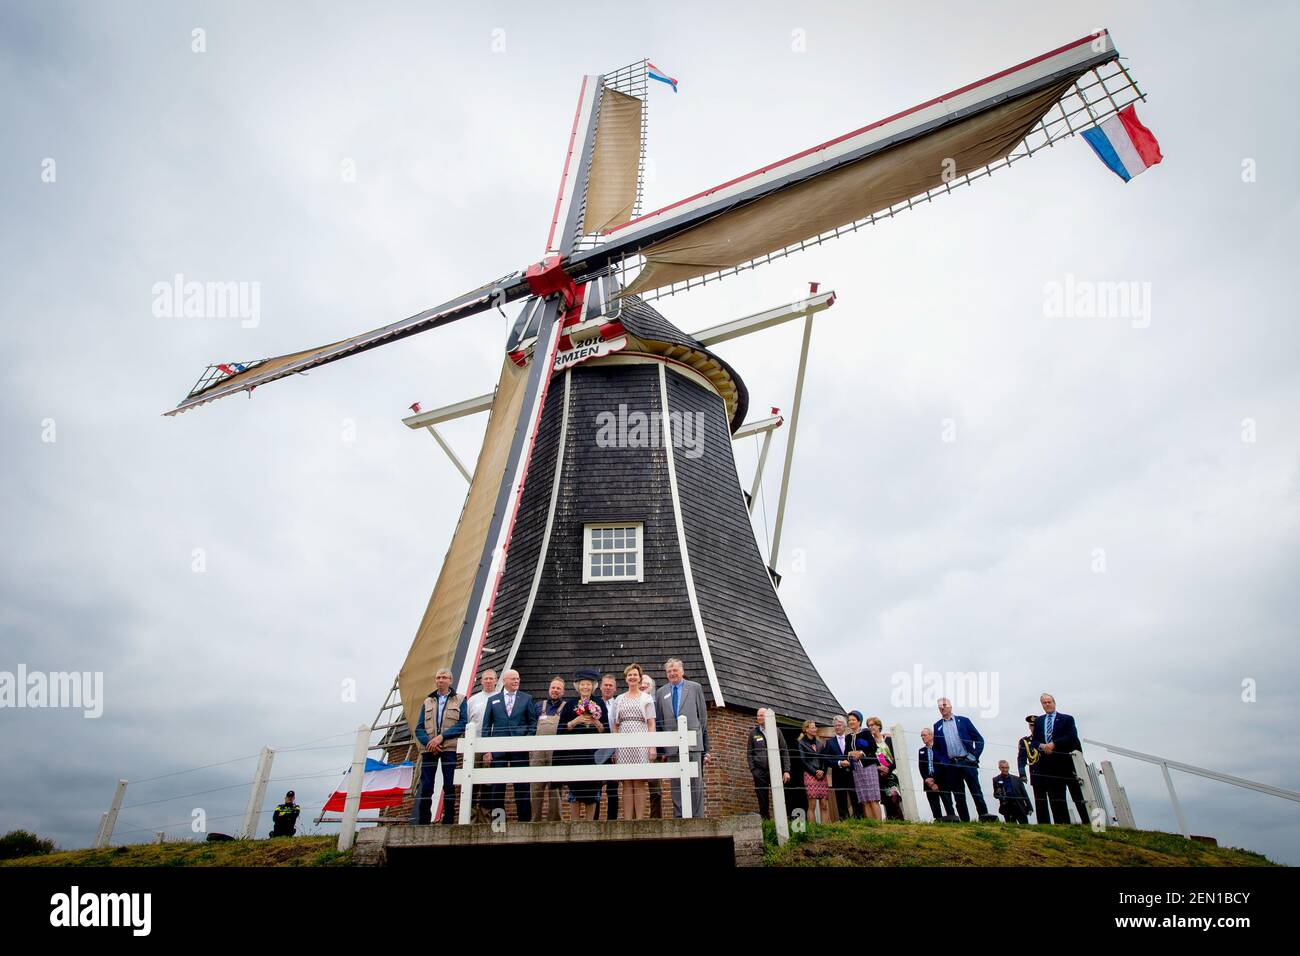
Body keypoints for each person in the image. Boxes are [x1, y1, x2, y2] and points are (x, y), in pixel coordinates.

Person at [654, 658, 710, 818]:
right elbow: (660, 720)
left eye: (675, 670)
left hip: (693, 743)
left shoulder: (695, 688)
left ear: (682, 671)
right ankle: (679, 817)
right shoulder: (661, 692)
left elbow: (703, 718)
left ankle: (697, 817)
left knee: (695, 782)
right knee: (676, 783)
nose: (672, 673)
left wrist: (698, 736)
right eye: (669, 671)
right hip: (672, 745)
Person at [413, 668, 468, 825]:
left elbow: (463, 723)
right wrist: (429, 742)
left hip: (449, 747)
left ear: (450, 680)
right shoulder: (427, 701)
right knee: (427, 784)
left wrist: (441, 738)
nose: (441, 680)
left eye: (444, 677)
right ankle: (423, 820)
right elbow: (419, 727)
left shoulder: (461, 699)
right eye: (438, 677)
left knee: (449, 783)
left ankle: (448, 819)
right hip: (429, 749)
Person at [482, 668, 536, 823]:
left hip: (519, 749)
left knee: (522, 786)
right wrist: (487, 750)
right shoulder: (493, 700)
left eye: (518, 678)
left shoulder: (526, 698)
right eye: (513, 679)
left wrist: (526, 740)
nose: (516, 681)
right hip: (498, 749)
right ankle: (498, 822)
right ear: (504, 681)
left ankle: (524, 822)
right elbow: (486, 726)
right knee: (497, 787)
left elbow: (532, 723)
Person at [557, 668, 608, 821]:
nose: (585, 687)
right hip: (575, 755)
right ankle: (575, 825)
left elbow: (606, 730)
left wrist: (596, 722)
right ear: (577, 686)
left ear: (593, 686)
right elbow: (560, 730)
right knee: (575, 791)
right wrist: (575, 721)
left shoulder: (599, 703)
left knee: (592, 791)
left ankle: (590, 824)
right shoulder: (570, 705)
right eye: (582, 684)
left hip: (593, 755)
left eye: (588, 684)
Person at [931, 698, 991, 822]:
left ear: (950, 706)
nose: (942, 708)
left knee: (976, 791)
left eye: (944, 705)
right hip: (951, 765)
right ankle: (965, 821)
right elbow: (935, 749)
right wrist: (944, 761)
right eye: (939, 706)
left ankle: (984, 816)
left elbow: (979, 739)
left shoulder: (963, 721)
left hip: (967, 762)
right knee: (958, 796)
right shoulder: (937, 726)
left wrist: (973, 756)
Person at [1030, 693, 1086, 825]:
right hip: (1049, 765)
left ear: (1054, 703)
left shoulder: (1067, 719)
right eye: (1044, 703)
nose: (1047, 704)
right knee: (1056, 798)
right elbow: (1034, 741)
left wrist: (1054, 744)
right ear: (1042, 705)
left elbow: (1071, 736)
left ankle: (1087, 822)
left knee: (1078, 796)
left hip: (1066, 763)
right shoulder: (1039, 721)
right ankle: (1063, 824)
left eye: (1049, 702)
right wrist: (1042, 746)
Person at [610, 663, 656, 820]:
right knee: (627, 781)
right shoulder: (619, 699)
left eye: (635, 674)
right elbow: (615, 725)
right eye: (629, 675)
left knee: (639, 781)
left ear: (640, 678)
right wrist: (616, 747)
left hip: (641, 739)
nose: (632, 677)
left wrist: (652, 747)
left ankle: (640, 819)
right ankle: (628, 819)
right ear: (626, 678)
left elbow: (651, 723)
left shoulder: (646, 698)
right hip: (624, 741)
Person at [530, 676, 567, 822]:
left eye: (558, 688)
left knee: (555, 787)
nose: (555, 690)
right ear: (549, 689)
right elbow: (532, 726)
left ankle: (555, 820)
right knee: (536, 787)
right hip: (538, 751)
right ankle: (535, 819)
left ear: (563, 691)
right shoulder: (539, 706)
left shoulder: (566, 707)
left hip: (556, 751)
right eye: (553, 687)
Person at [747, 708, 792, 820]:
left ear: (768, 716)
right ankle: (766, 822)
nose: (759, 718)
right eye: (758, 716)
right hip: (759, 771)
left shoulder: (776, 731)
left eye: (762, 715)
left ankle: (782, 821)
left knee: (779, 797)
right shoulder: (753, 733)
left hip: (776, 770)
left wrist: (786, 770)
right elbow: (749, 753)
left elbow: (784, 750)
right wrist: (753, 770)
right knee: (762, 798)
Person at [466, 669, 499, 822]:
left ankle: (486, 818)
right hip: (474, 745)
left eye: (491, 679)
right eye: (485, 678)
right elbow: (466, 723)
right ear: (481, 681)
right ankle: (471, 817)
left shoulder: (501, 698)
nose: (488, 681)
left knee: (488, 783)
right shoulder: (472, 700)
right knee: (471, 780)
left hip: (492, 745)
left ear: (496, 680)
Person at [821, 715, 860, 821]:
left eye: (840, 725)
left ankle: (859, 819)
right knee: (840, 799)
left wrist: (850, 763)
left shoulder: (851, 739)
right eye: (836, 725)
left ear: (844, 726)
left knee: (855, 797)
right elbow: (826, 759)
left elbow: (858, 754)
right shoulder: (830, 742)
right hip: (838, 775)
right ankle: (844, 821)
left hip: (853, 773)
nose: (837, 727)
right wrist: (838, 763)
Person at [866, 716, 903, 820]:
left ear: (878, 726)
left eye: (872, 725)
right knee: (885, 800)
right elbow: (870, 759)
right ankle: (891, 821)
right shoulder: (870, 743)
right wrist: (878, 768)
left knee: (894, 798)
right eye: (869, 726)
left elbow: (896, 756)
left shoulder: (888, 739)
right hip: (879, 774)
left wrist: (888, 769)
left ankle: (900, 820)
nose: (871, 727)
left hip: (892, 772)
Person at [596, 673, 621, 821]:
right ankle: (595, 820)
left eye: (610, 685)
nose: (607, 688)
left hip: (613, 749)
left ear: (615, 689)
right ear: (600, 687)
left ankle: (612, 820)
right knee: (597, 786)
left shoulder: (618, 703)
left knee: (613, 788)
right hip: (599, 749)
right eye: (605, 685)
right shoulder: (594, 704)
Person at [846, 711, 880, 820]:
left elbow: (873, 747)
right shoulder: (848, 737)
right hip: (856, 769)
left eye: (853, 720)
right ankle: (871, 824)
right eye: (849, 720)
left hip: (868, 767)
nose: (851, 722)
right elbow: (846, 752)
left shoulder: (865, 733)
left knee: (872, 797)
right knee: (864, 798)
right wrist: (851, 753)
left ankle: (879, 824)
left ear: (859, 721)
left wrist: (861, 753)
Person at [917, 727, 955, 821]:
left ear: (931, 736)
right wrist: (927, 779)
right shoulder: (921, 751)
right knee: (934, 803)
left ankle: (952, 819)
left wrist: (935, 780)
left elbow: (943, 765)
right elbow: (921, 767)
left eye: (924, 735)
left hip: (941, 780)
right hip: (928, 782)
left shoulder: (940, 748)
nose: (922, 737)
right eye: (921, 735)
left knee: (947, 802)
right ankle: (938, 820)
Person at [797, 720, 829, 823]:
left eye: (815, 727)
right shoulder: (801, 743)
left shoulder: (820, 744)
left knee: (824, 804)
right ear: (806, 729)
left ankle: (825, 829)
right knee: (812, 805)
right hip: (810, 775)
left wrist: (823, 771)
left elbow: (824, 759)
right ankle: (814, 830)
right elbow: (803, 761)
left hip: (822, 776)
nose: (815, 729)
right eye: (812, 727)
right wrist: (815, 772)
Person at [641, 673, 663, 818]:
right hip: (637, 750)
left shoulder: (656, 705)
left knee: (655, 788)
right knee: (637, 785)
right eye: (641, 683)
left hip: (652, 751)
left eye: (646, 684)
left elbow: (660, 727)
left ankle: (655, 817)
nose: (643, 686)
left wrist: (661, 750)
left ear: (651, 688)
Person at [992, 759, 1033, 824]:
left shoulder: (1017, 779)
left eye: (1006, 767)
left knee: (1025, 826)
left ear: (1009, 767)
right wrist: (998, 792)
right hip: (1007, 807)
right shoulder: (996, 779)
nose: (1005, 769)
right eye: (1003, 768)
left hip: (1019, 806)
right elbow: (995, 795)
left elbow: (1024, 794)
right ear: (999, 768)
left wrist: (1030, 807)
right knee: (1011, 827)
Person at [1017, 715, 1038, 782]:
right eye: (1032, 726)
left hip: (1052, 773)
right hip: (1036, 774)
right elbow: (1021, 759)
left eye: (1035, 726)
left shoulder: (1048, 740)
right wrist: (1022, 774)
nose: (1034, 728)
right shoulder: (1025, 741)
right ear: (1029, 727)